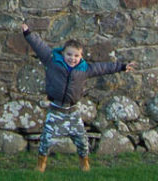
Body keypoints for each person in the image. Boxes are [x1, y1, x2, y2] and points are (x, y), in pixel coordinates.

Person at [20, 22, 131, 172]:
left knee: (82, 140)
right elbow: (39, 45)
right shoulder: (52, 60)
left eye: (76, 55)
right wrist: (28, 33)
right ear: (63, 53)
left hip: (72, 111)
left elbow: (104, 68)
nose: (72, 58)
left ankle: (84, 163)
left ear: (81, 56)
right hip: (55, 110)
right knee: (46, 139)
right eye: (69, 54)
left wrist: (122, 67)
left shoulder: (84, 69)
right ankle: (41, 164)